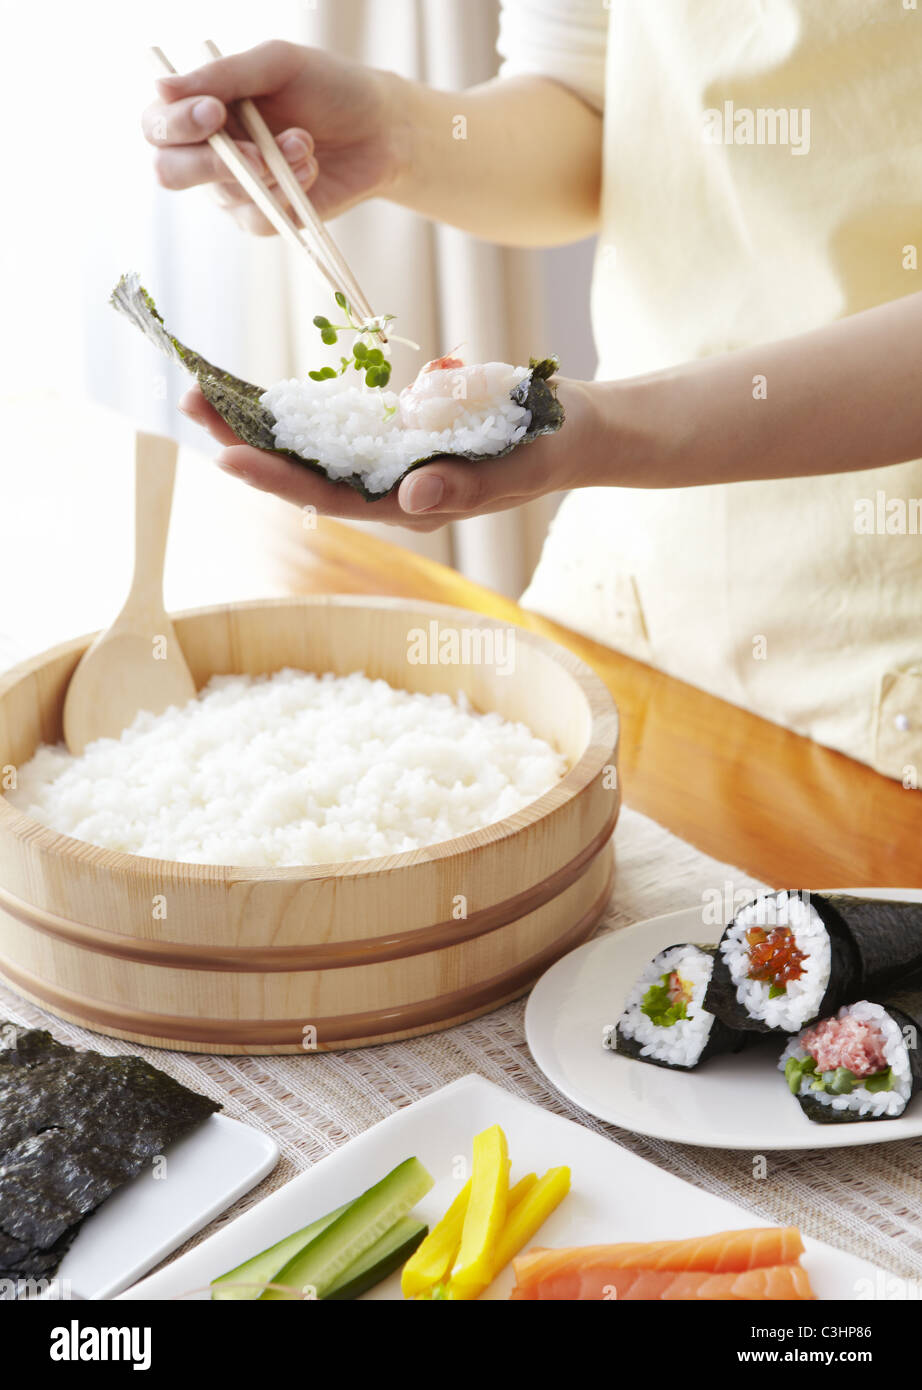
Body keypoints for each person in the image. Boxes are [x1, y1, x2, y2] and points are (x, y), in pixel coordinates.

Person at [142, 2, 922, 776]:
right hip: (622, 604)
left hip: (881, 667)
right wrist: (395, 132)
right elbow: (586, 104)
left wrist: (609, 429)